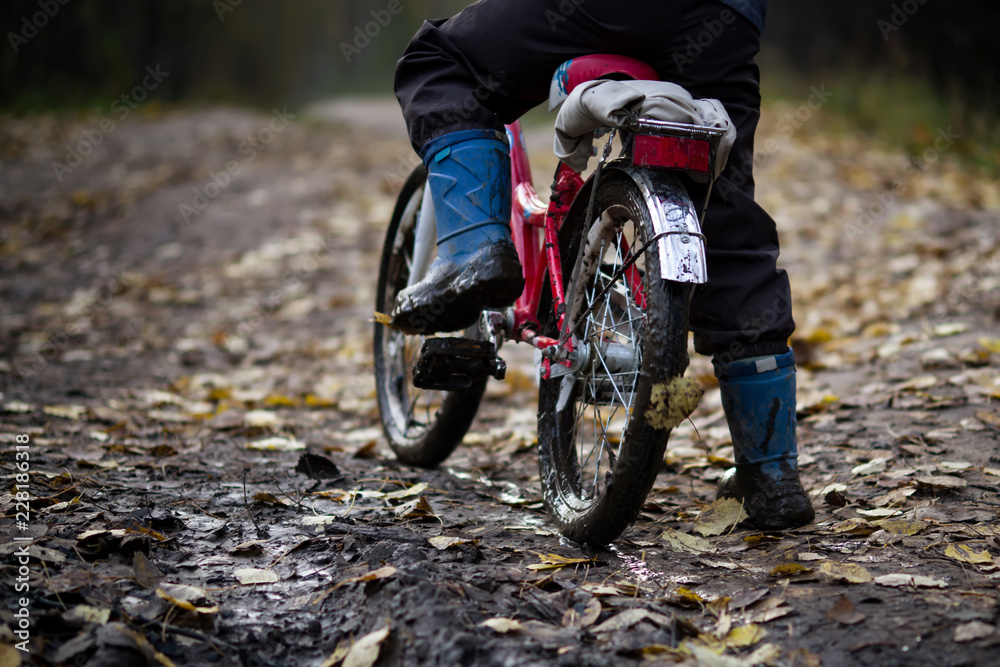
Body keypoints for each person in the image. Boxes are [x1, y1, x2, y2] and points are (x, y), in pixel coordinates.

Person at [389, 0, 814, 531]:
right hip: (725, 15)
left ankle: (471, 251)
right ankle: (771, 474)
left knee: (441, 61)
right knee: (721, 212)